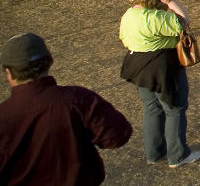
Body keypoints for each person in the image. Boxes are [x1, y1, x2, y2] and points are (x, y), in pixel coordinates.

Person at [0, 32, 131, 185]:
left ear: (8, 72)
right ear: (49, 62)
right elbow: (117, 136)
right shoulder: (78, 99)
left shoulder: (3, 116)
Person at [118, 0, 200, 169]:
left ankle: (154, 153)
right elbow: (184, 20)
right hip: (163, 68)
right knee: (175, 109)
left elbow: (123, 39)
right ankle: (177, 155)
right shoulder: (157, 17)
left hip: (138, 67)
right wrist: (171, 2)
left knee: (152, 108)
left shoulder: (129, 15)